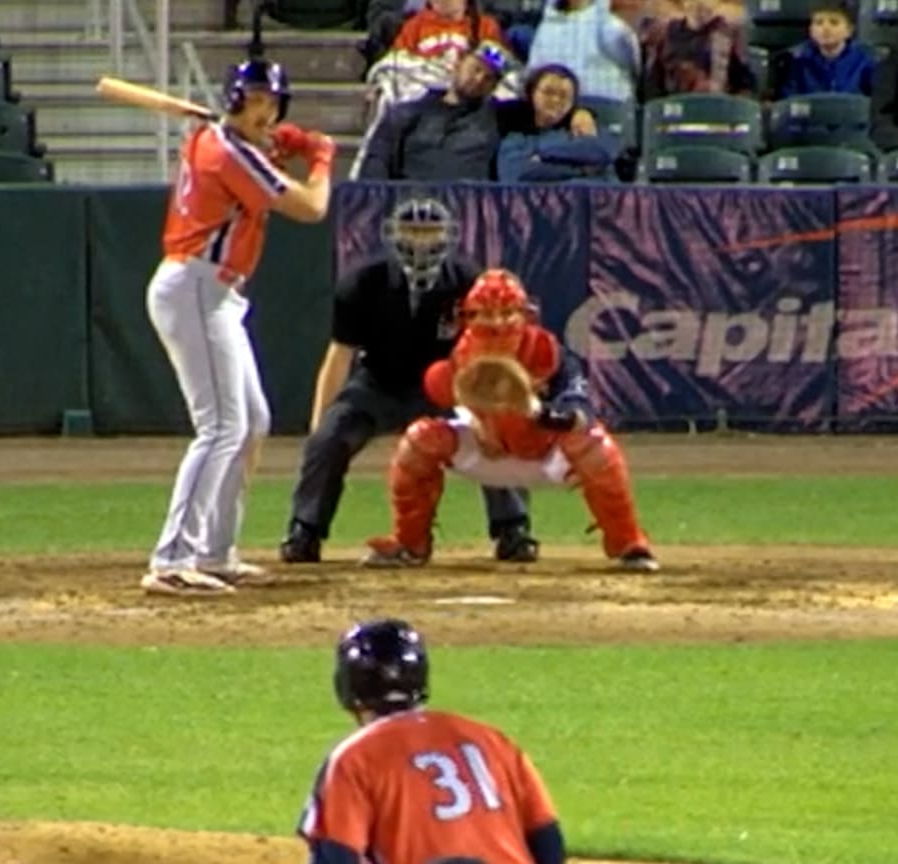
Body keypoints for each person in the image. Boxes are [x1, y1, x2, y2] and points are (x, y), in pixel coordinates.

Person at [142, 58, 336, 597]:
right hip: (196, 287)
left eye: (271, 103)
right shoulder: (226, 151)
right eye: (254, 101)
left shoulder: (225, 145)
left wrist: (276, 146)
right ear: (232, 100)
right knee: (222, 425)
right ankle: (172, 558)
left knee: (251, 421)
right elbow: (310, 207)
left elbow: (252, 163)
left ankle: (215, 550)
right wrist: (318, 159)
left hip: (217, 292)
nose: (265, 111)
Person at [279, 197, 539, 565]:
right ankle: (305, 530)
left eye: (429, 232)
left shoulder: (467, 282)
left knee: (495, 434)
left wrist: (485, 413)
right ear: (394, 236)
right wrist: (319, 426)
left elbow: (484, 356)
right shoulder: (362, 282)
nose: (421, 242)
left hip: (447, 386)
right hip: (378, 384)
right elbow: (340, 355)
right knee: (329, 439)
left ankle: (514, 527)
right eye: (412, 232)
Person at [361, 268, 660, 572]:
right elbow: (437, 390)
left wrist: (539, 413)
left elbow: (580, 411)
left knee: (594, 442)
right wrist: (470, 407)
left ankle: (628, 543)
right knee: (419, 438)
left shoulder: (548, 353)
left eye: (506, 313)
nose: (495, 323)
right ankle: (410, 543)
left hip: (544, 453)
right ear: (467, 316)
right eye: (484, 314)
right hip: (485, 450)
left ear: (525, 315)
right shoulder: (459, 354)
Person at [297, 618, 566, 864]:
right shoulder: (490, 739)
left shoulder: (353, 758)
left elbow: (335, 857)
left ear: (347, 684)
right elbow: (547, 840)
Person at [354, 40, 513, 182]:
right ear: (458, 64)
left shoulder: (499, 118)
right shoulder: (405, 113)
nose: (479, 79)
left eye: (488, 78)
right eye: (475, 69)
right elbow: (375, 168)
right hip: (410, 206)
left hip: (468, 207)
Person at [497, 63, 622, 182]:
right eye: (548, 92)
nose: (556, 100)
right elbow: (517, 174)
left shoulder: (585, 128)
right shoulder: (515, 139)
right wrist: (583, 171)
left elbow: (604, 152)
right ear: (532, 93)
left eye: (564, 95)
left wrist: (542, 154)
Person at [525, 0, 641, 103]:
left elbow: (634, 70)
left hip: (605, 112)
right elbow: (533, 76)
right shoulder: (545, 28)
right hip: (557, 115)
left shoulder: (613, 28)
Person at [639, 0, 756, 99]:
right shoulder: (667, 36)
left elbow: (744, 84)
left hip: (716, 111)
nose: (701, 4)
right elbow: (652, 88)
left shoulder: (725, 35)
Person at [772, 0, 876, 98]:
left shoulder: (865, 61)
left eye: (834, 22)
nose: (825, 28)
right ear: (811, 30)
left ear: (849, 30)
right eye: (819, 22)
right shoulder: (797, 60)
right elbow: (789, 101)